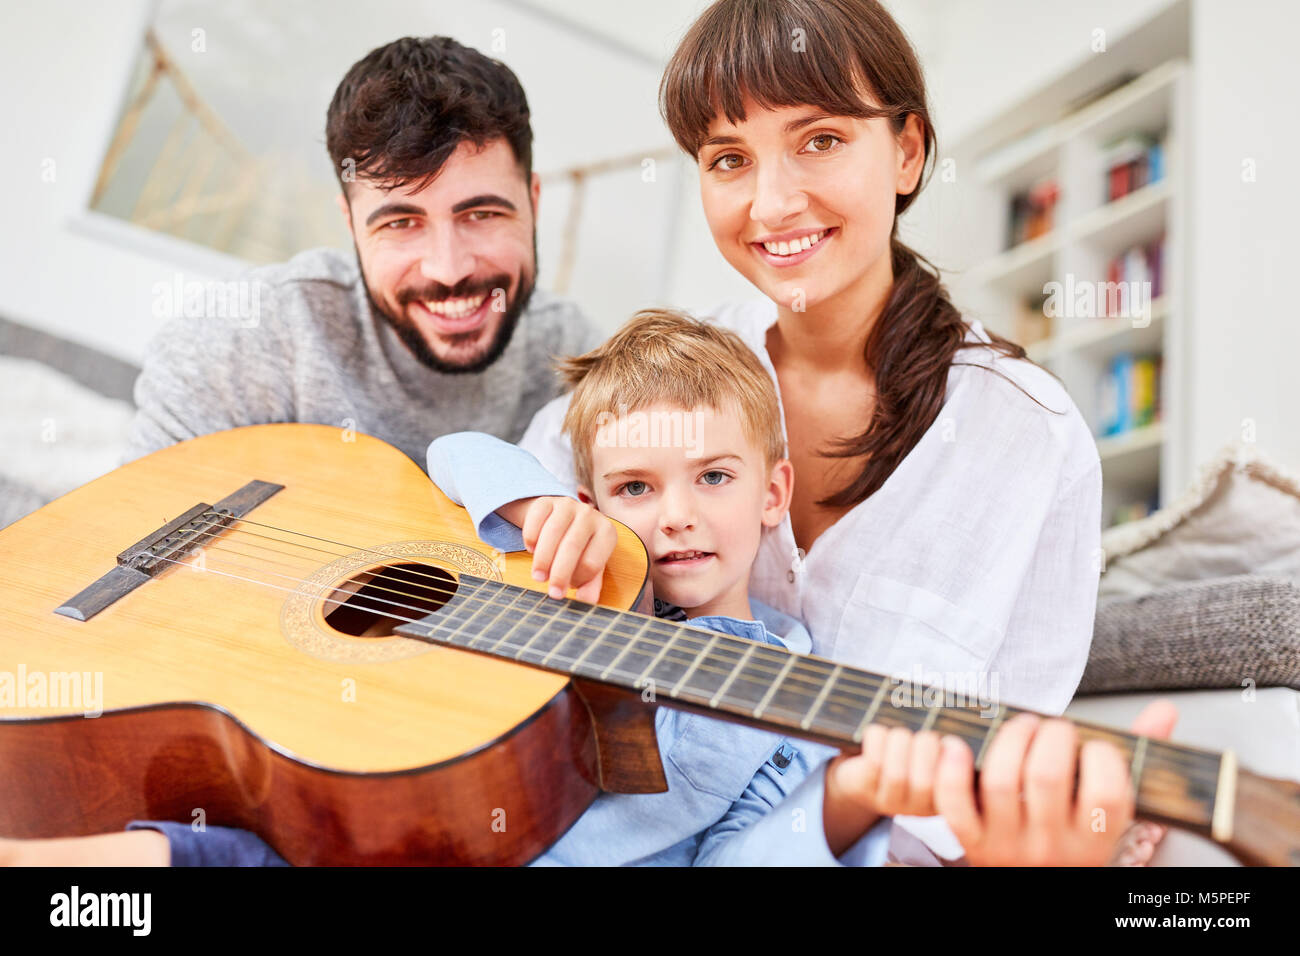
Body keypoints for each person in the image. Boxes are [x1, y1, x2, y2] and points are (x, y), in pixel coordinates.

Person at [0, 311, 1170, 867]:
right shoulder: (565, 557)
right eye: (635, 485)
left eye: (711, 477)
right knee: (201, 858)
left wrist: (855, 797)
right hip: (371, 823)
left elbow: (742, 864)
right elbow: (445, 465)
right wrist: (535, 504)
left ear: (770, 494)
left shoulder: (800, 677)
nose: (673, 513)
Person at [483, 0, 1169, 864]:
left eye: (820, 140)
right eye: (729, 159)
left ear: (908, 150)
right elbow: (503, 496)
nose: (773, 203)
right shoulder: (672, 368)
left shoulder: (1027, 437)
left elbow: (992, 762)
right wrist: (543, 513)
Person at [122, 35, 600, 471]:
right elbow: (135, 541)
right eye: (401, 223)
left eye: (482, 214)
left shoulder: (574, 360)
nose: (449, 268)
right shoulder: (245, 340)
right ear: (351, 224)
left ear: (533, 203)